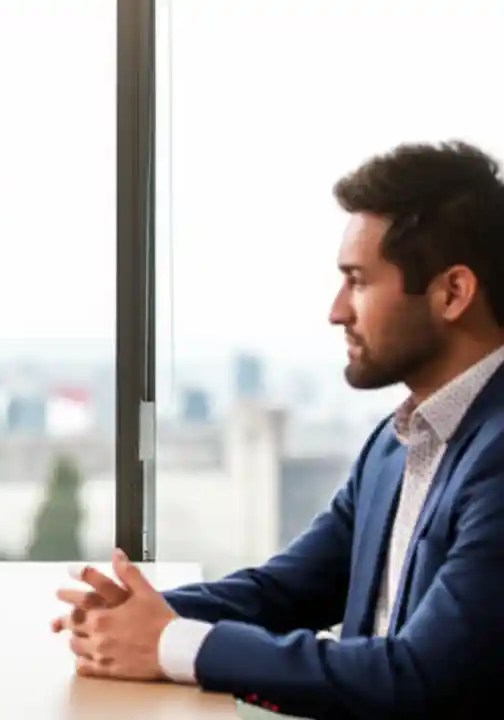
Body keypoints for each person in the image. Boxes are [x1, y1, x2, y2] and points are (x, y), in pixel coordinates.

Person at [52, 141, 504, 719]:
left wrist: (169, 643)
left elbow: (419, 677)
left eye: (358, 282)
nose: (337, 311)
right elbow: (284, 592)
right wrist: (137, 613)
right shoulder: (394, 447)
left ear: (453, 293)